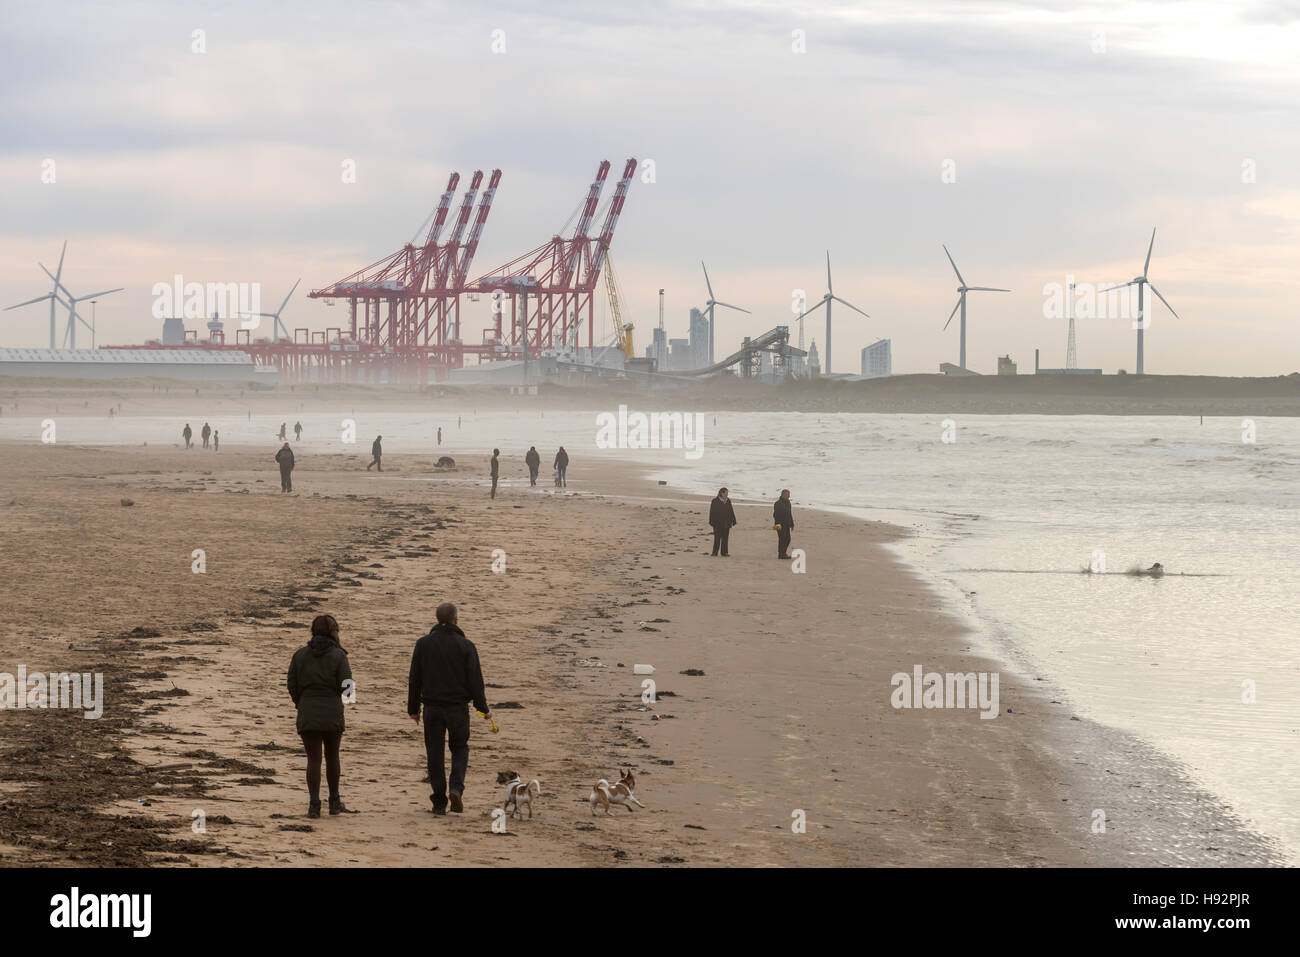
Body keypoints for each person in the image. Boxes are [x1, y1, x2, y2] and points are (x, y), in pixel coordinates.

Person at [407, 602, 493, 815]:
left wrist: (413, 709)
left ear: (437, 620)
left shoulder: (423, 644)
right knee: (460, 748)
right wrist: (483, 709)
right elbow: (475, 681)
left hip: (432, 708)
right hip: (457, 708)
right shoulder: (466, 646)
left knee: (434, 752)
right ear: (456, 620)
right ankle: (456, 788)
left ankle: (438, 801)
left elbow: (414, 679)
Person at [287, 614, 356, 818]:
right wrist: (344, 703)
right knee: (332, 756)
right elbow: (348, 688)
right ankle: (334, 801)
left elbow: (291, 684)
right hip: (332, 712)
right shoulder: (339, 656)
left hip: (307, 711)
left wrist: (300, 703)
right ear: (334, 631)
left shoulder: (300, 655)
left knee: (313, 759)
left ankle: (314, 804)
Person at [708, 487, 737, 557]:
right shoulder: (715, 501)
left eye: (727, 493)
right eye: (726, 493)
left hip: (727, 522)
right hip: (717, 523)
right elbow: (711, 512)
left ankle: (724, 553)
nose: (727, 495)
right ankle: (714, 552)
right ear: (722, 493)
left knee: (725, 538)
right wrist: (711, 521)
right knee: (717, 538)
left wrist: (734, 520)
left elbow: (731, 511)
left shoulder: (728, 501)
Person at [773, 489, 795, 559]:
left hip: (787, 524)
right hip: (779, 524)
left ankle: (783, 553)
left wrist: (792, 524)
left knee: (788, 539)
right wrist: (778, 525)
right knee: (782, 539)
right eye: (788, 494)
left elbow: (790, 514)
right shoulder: (777, 503)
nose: (789, 496)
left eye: (789, 494)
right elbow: (775, 515)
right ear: (783, 495)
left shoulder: (788, 502)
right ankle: (781, 554)